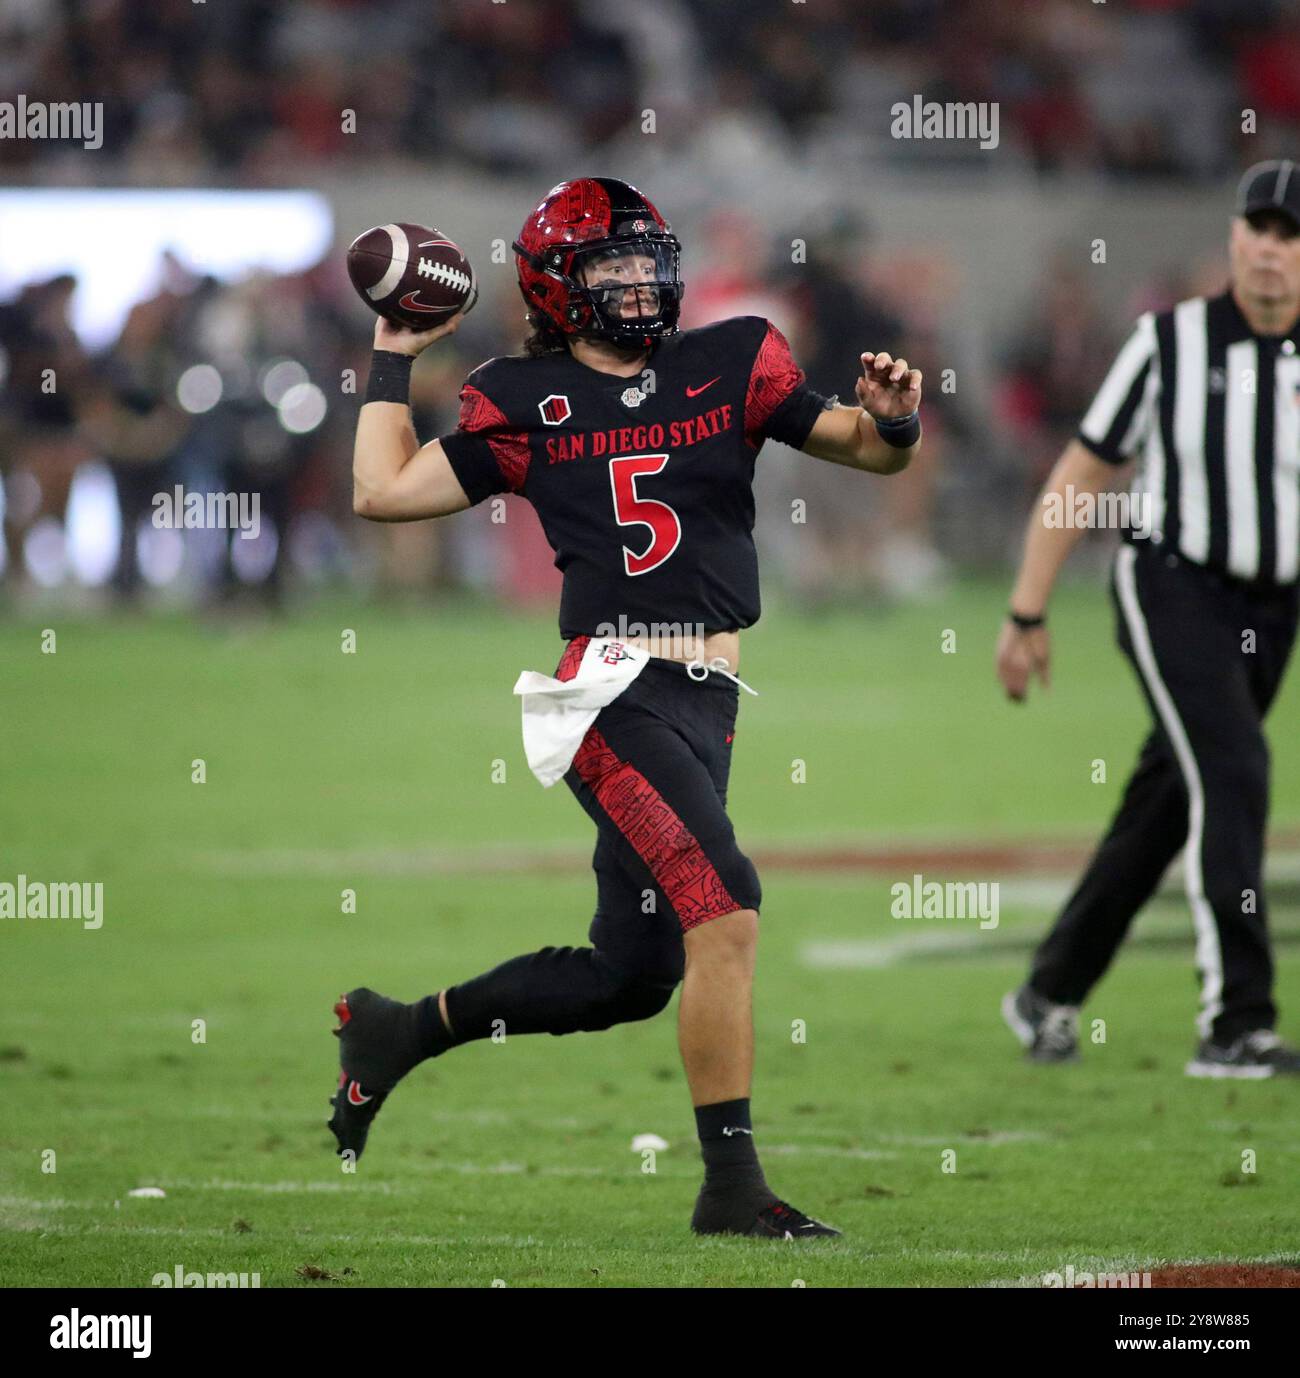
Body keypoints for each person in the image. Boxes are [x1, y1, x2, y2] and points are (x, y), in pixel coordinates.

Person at [331, 177, 923, 1236]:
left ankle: (400, 1032)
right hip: (611, 692)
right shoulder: (523, 398)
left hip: (711, 693)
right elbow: (382, 491)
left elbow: (864, 448)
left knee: (629, 976)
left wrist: (895, 420)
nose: (637, 282)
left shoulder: (732, 357)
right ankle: (732, 1190)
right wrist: (394, 356)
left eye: (646, 260)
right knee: (726, 910)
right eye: (609, 266)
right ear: (558, 287)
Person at [996, 160, 1300, 1079]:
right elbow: (1083, 473)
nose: (1270, 251)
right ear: (1233, 238)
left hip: (1271, 602)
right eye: (1257, 229)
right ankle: (1235, 1025)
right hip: (1172, 582)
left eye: (1290, 235)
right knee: (1236, 770)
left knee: (1169, 804)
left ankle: (1047, 991)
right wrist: (1026, 607)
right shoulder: (1168, 342)